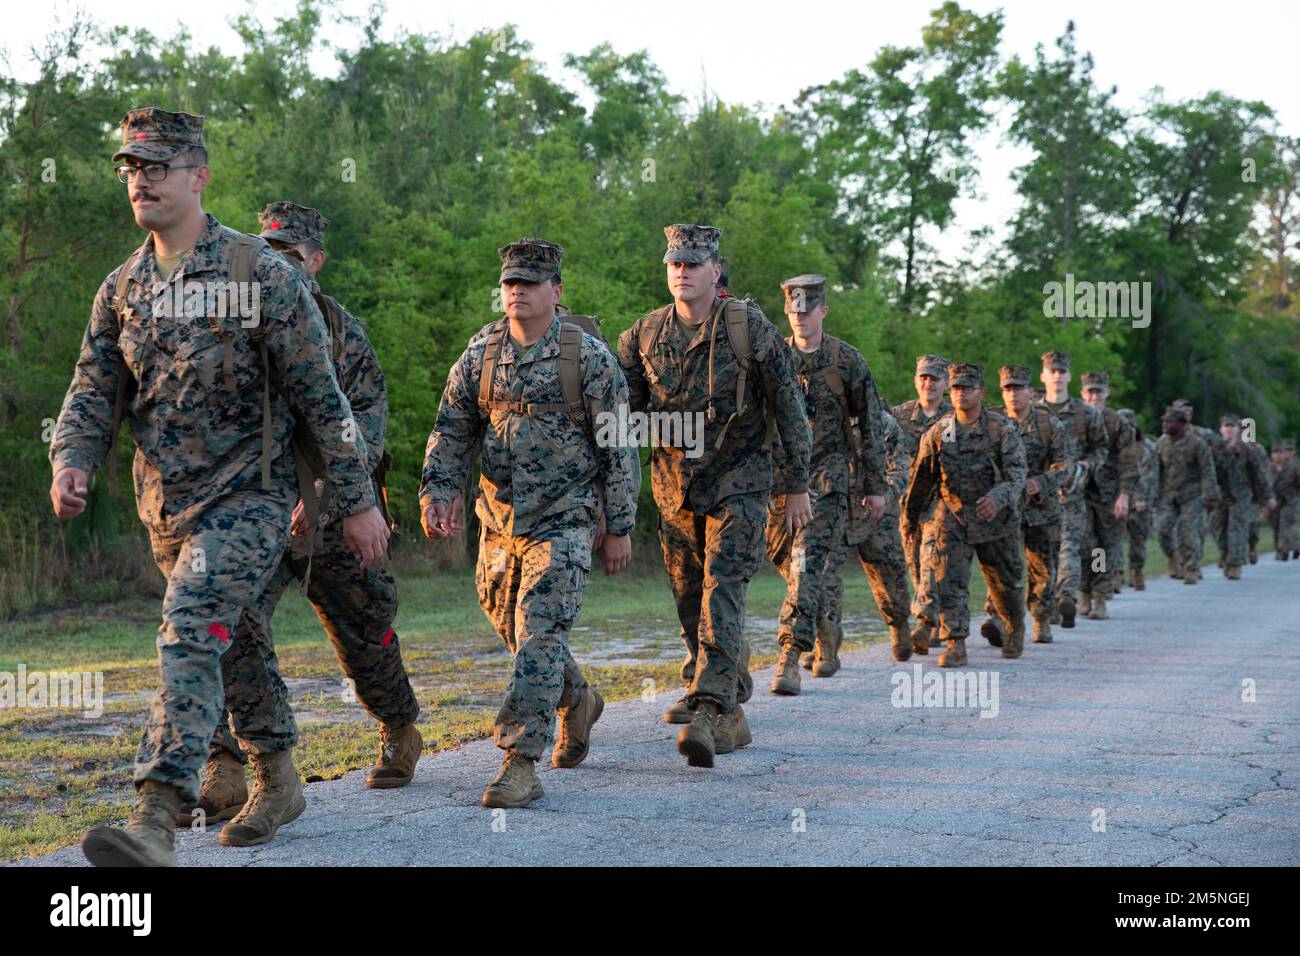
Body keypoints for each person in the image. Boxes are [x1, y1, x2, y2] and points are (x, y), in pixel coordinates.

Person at [50, 108, 387, 866]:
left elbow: (323, 399)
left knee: (190, 626)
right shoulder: (123, 286)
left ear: (199, 176)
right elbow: (94, 387)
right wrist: (72, 457)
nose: (140, 181)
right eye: (130, 168)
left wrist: (356, 502)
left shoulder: (257, 273)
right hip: (166, 506)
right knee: (235, 642)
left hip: (249, 496)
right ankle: (278, 774)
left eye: (156, 167)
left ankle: (156, 816)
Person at [181, 202, 421, 828]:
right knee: (227, 625)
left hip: (334, 514)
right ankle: (227, 767)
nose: (278, 264)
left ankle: (399, 726)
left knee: (364, 636)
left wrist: (324, 499)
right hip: (252, 513)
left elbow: (363, 430)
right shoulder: (232, 323)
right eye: (268, 252)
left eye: (290, 254)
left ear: (316, 261)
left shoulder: (343, 334)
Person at [420, 237, 640, 807]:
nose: (517, 291)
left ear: (556, 291)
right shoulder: (481, 354)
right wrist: (438, 490)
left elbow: (619, 447)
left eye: (530, 282)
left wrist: (618, 525)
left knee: (539, 629)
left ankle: (519, 763)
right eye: (510, 282)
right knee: (512, 627)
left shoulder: (589, 359)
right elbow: (452, 429)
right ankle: (578, 699)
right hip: (498, 518)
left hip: (565, 516)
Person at [617, 224, 811, 767]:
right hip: (674, 489)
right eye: (675, 263)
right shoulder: (643, 336)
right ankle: (730, 705)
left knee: (721, 588)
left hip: (740, 481)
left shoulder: (748, 328)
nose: (682, 272)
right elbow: (622, 420)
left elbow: (790, 410)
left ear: (715, 270)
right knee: (688, 598)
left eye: (693, 263)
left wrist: (796, 485)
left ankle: (707, 709)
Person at [765, 274, 887, 687]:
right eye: (793, 310)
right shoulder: (773, 358)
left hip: (827, 480)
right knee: (791, 565)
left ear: (823, 311)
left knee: (805, 565)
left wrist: (874, 486)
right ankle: (826, 628)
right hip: (780, 483)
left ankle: (789, 655)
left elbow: (871, 424)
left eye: (807, 309)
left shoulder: (847, 361)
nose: (800, 316)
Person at [902, 363, 1028, 667]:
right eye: (956, 388)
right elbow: (922, 479)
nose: (961, 393)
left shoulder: (1001, 429)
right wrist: (910, 518)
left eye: (967, 388)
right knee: (949, 580)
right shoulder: (940, 431)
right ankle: (955, 643)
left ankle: (1013, 625)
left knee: (1006, 586)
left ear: (981, 392)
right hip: (954, 515)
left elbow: (1017, 474)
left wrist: (997, 498)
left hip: (996, 519)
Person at [981, 365, 1070, 646]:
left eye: (1019, 388)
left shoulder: (1048, 424)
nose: (1013, 394)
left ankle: (1041, 617)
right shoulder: (990, 422)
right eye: (1008, 388)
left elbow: (1065, 465)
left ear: (1030, 392)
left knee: (1043, 569)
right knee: (1003, 566)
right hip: (1005, 508)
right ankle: (998, 618)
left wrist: (1041, 482)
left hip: (1041, 509)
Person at [817, 410, 913, 663]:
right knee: (824, 576)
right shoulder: (821, 420)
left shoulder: (882, 422)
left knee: (890, 576)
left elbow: (899, 467)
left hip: (876, 514)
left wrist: (884, 496)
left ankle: (899, 624)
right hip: (833, 511)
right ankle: (826, 642)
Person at [1035, 351, 1108, 627]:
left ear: (1068, 376)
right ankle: (1054, 601)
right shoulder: (1033, 412)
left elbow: (1104, 450)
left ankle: (1077, 596)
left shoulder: (1089, 414)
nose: (1056, 376)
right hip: (1041, 496)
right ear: (1043, 376)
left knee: (1080, 547)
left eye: (1061, 371)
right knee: (1047, 551)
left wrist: (1087, 467)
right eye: (1051, 371)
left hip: (1078, 493)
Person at [891, 355, 953, 653]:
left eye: (935, 379)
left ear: (946, 384)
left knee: (931, 557)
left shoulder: (953, 418)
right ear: (916, 381)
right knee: (914, 563)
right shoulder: (899, 416)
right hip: (906, 503)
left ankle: (925, 621)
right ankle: (935, 619)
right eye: (924, 378)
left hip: (940, 503)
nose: (929, 384)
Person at [1077, 371, 1136, 620]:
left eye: (1099, 391)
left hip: (1109, 495)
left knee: (1104, 546)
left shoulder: (1118, 423)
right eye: (1090, 391)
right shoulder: (1075, 419)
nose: (1095, 396)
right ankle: (1084, 590)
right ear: (1083, 393)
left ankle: (1099, 596)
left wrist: (1124, 495)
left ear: (1107, 393)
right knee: (1083, 544)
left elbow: (1129, 462)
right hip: (1079, 492)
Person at [1154, 406, 1219, 584]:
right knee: (1162, 529)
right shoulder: (1161, 443)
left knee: (1188, 531)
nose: (1165, 425)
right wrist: (1152, 495)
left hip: (1192, 495)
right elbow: (1156, 471)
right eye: (1164, 421)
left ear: (1182, 424)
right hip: (1168, 495)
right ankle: (1174, 558)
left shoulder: (1197, 444)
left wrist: (1210, 496)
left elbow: (1208, 471)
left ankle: (1191, 568)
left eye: (1169, 422)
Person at [1210, 414, 1273, 579]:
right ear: (1221, 429)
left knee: (1237, 529)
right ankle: (1226, 553)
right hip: (1220, 495)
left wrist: (1267, 497)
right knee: (1218, 529)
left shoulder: (1248, 449)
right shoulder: (1213, 448)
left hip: (1242, 495)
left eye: (1233, 426)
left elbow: (1259, 474)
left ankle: (1235, 564)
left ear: (1239, 430)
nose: (1229, 429)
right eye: (1226, 426)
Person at [1116, 409, 1158, 590]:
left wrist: (1141, 498)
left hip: (1139, 501)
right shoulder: (1109, 444)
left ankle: (1137, 572)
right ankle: (1114, 575)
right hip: (1113, 500)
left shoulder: (1147, 448)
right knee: (1109, 541)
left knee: (1138, 540)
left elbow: (1149, 476)